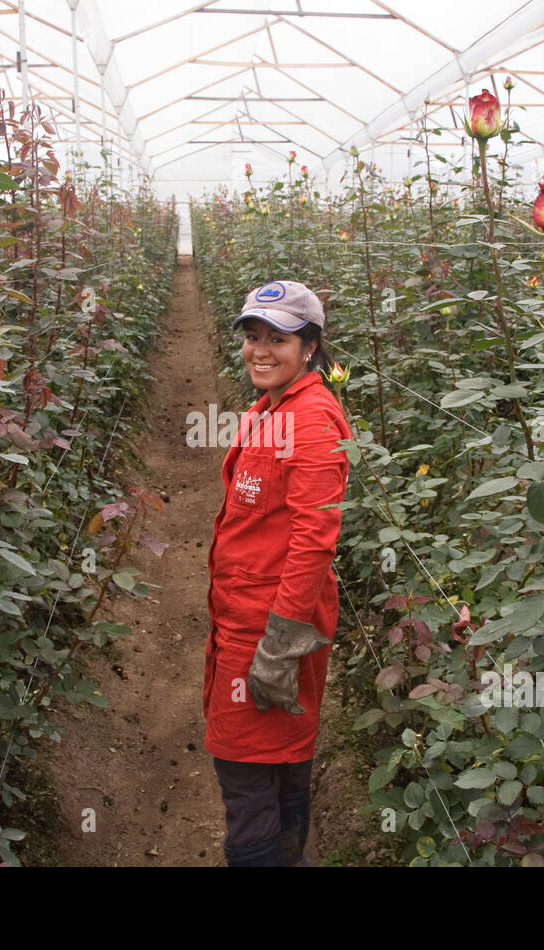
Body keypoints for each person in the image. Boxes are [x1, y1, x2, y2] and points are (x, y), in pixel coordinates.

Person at [203, 280, 351, 867]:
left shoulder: (312, 420)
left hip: (266, 631)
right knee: (281, 766)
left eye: (279, 339)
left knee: (244, 777)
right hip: (249, 621)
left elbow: (315, 541)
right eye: (252, 336)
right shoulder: (270, 410)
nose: (260, 351)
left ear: (310, 345)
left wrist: (279, 644)